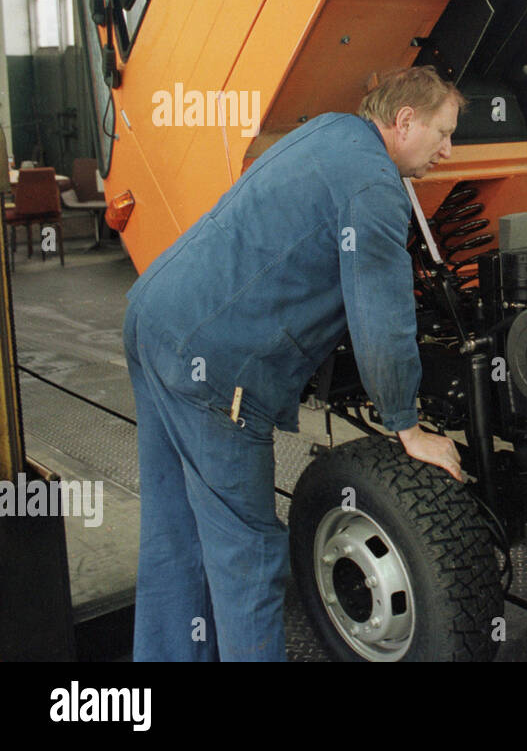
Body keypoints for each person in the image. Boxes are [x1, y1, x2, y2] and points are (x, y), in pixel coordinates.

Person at [123, 66, 466, 661]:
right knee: (247, 556)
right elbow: (380, 318)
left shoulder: (331, 131)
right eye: (443, 133)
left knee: (175, 532)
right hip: (212, 367)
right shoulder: (374, 188)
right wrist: (406, 425)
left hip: (154, 317)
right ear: (405, 121)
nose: (449, 149)